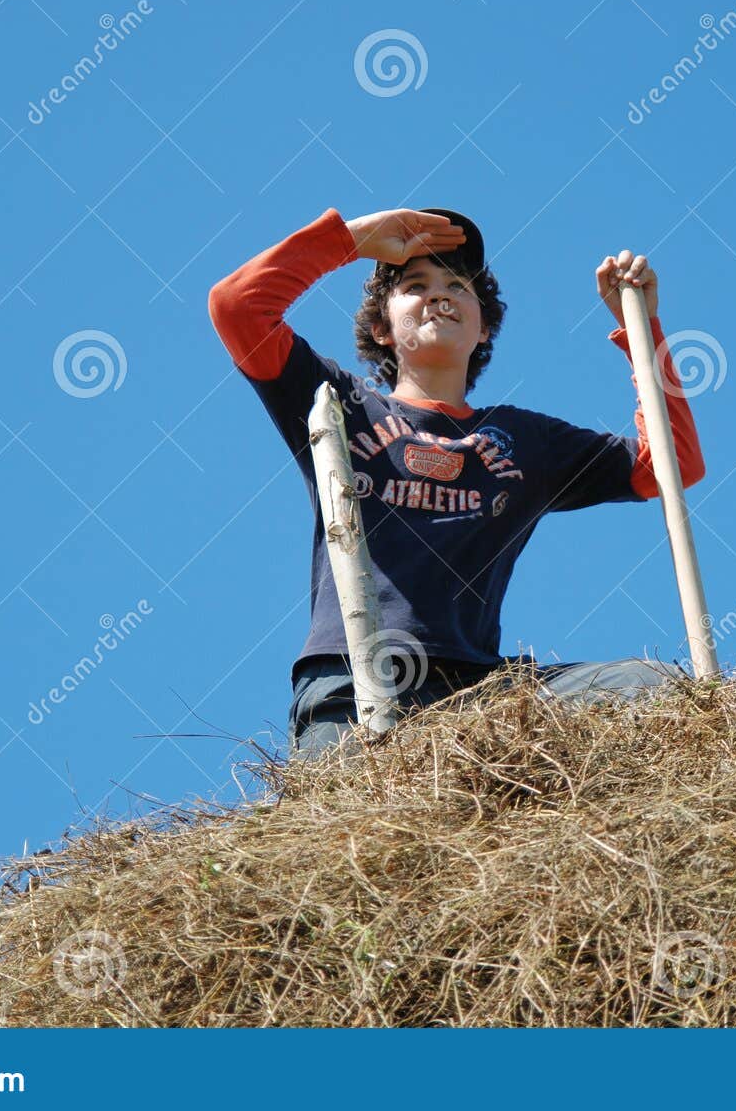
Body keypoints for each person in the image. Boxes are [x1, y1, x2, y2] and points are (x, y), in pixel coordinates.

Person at [207, 207, 707, 762]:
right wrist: (353, 241)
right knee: (345, 822)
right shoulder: (340, 405)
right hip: (353, 678)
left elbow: (670, 463)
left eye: (456, 285)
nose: (437, 295)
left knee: (653, 684)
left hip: (481, 693)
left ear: (483, 325)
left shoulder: (525, 439)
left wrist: (643, 331)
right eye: (415, 286)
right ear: (381, 327)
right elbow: (238, 307)